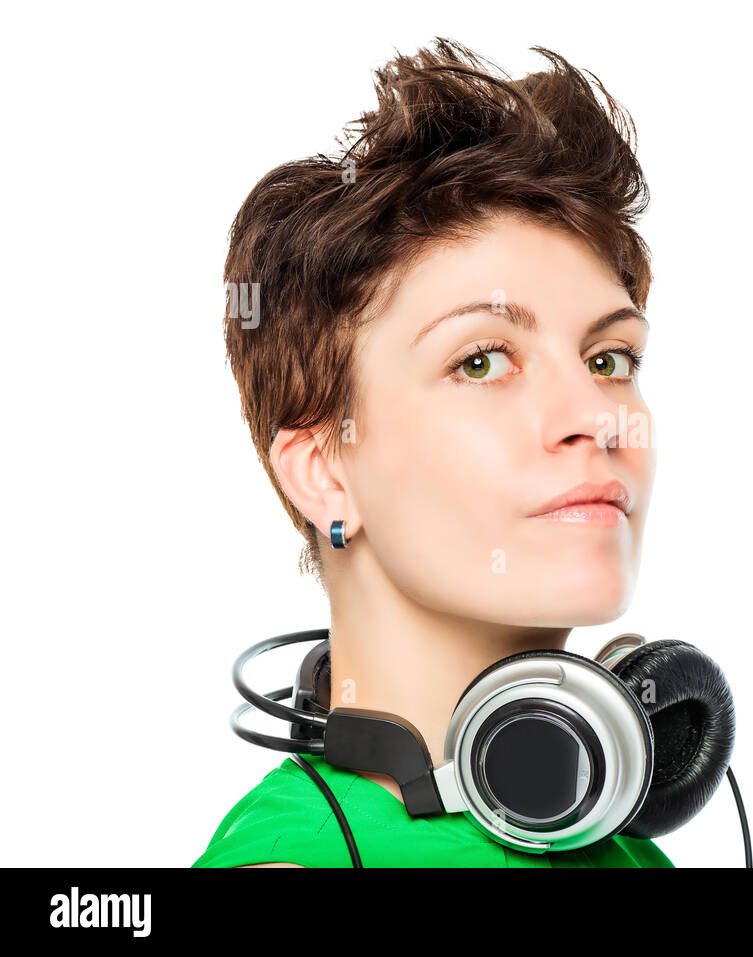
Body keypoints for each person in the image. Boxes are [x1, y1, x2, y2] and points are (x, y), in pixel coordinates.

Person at [193, 37, 671, 867]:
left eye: (608, 359)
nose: (595, 414)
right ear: (323, 468)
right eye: (481, 361)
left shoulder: (619, 849)